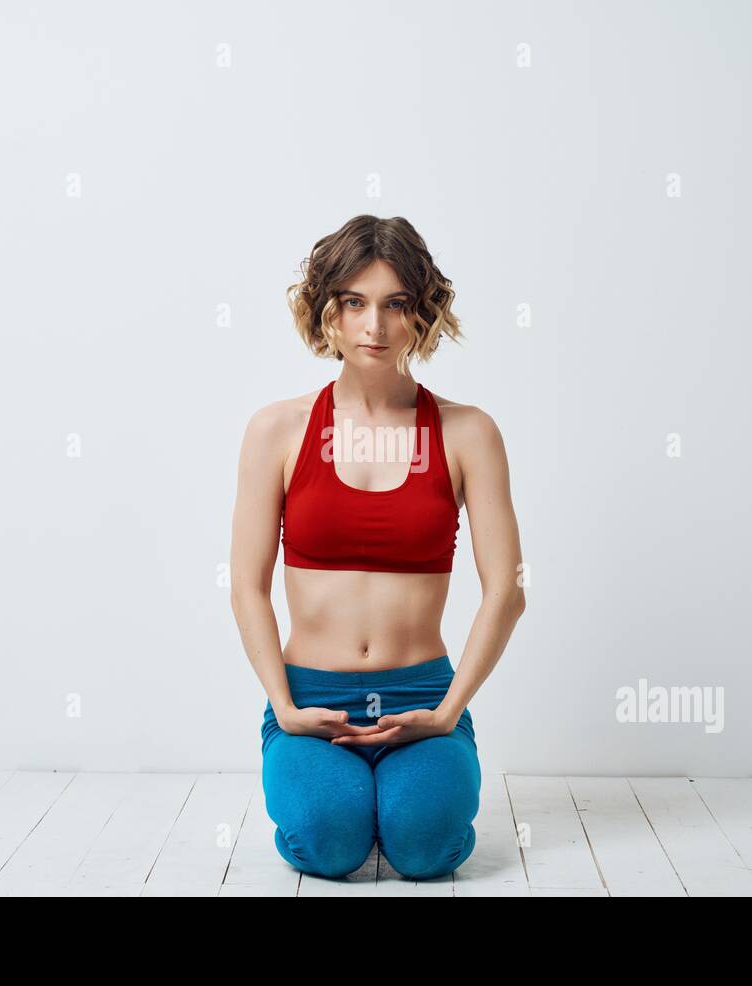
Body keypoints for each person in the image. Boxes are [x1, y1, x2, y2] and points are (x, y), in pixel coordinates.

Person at [229, 215, 525, 880]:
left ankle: (407, 794)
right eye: (354, 303)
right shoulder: (276, 431)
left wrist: (448, 713)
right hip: (310, 696)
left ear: (422, 315)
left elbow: (507, 591)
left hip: (422, 692)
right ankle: (337, 793)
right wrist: (283, 705)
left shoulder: (468, 433)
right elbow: (246, 585)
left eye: (396, 305)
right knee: (327, 842)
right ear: (325, 313)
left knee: (427, 849)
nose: (375, 327)